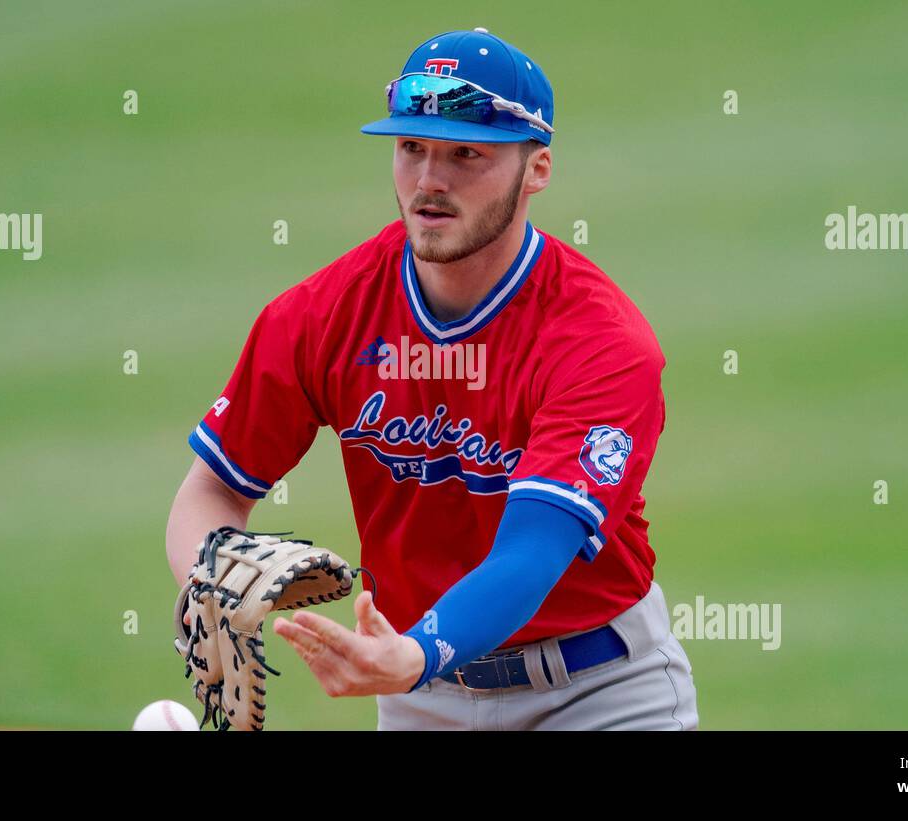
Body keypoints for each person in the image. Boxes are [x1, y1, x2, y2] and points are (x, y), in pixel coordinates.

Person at [165, 27, 698, 730]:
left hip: (596, 693)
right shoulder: (325, 313)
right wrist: (209, 580)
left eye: (465, 154)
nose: (428, 181)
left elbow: (532, 552)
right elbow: (212, 490)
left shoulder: (600, 342)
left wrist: (416, 653)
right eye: (411, 147)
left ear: (536, 169)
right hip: (422, 702)